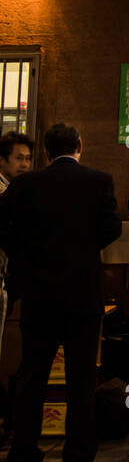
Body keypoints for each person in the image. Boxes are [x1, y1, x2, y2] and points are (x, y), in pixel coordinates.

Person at [0, 123, 120, 462]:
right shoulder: (99, 181)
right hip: (83, 296)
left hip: (39, 296)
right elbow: (111, 229)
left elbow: (5, 230)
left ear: (46, 153)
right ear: (79, 146)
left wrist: (28, 258)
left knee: (31, 377)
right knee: (81, 379)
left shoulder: (25, 185)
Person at [0, 132, 34, 443]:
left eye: (27, 158)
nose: (24, 164)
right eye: (18, 158)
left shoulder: (16, 191)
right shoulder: (4, 193)